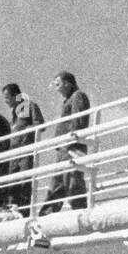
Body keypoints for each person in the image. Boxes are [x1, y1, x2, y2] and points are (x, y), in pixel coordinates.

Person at [39, 71, 91, 214]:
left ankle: (80, 213)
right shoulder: (68, 100)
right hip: (64, 149)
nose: (56, 88)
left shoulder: (77, 96)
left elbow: (79, 121)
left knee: (72, 181)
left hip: (72, 147)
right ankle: (45, 216)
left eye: (58, 84)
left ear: (67, 83)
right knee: (57, 185)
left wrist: (69, 143)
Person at [1, 83, 45, 211]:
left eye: (7, 97)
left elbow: (40, 125)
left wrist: (25, 131)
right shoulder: (14, 115)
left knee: (25, 180)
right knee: (11, 183)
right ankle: (12, 210)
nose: (5, 101)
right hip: (13, 154)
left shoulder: (29, 106)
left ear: (17, 96)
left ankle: (24, 210)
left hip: (25, 150)